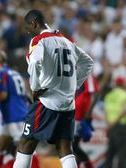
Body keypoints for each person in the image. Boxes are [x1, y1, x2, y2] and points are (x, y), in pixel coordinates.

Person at [13, 9, 93, 168]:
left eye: (27, 27)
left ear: (34, 23)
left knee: (25, 143)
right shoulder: (65, 40)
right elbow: (88, 62)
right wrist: (74, 84)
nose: (27, 31)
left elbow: (35, 63)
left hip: (46, 101)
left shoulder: (39, 40)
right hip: (67, 103)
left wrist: (35, 88)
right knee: (65, 148)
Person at [0, 50, 30, 168]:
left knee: (23, 149)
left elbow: (3, 95)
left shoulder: (1, 73)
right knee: (0, 147)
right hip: (18, 114)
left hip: (14, 116)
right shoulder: (14, 73)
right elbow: (27, 95)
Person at [73, 75, 98, 168]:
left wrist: (88, 112)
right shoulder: (75, 73)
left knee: (72, 145)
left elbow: (94, 94)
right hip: (74, 113)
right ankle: (80, 165)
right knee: (73, 145)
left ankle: (89, 165)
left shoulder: (87, 74)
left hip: (80, 115)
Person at [104, 77, 126, 168]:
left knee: (110, 152)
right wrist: (114, 123)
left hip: (110, 126)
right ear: (122, 84)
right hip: (121, 126)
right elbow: (124, 111)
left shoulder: (108, 95)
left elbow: (106, 112)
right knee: (122, 152)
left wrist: (109, 125)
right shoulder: (124, 95)